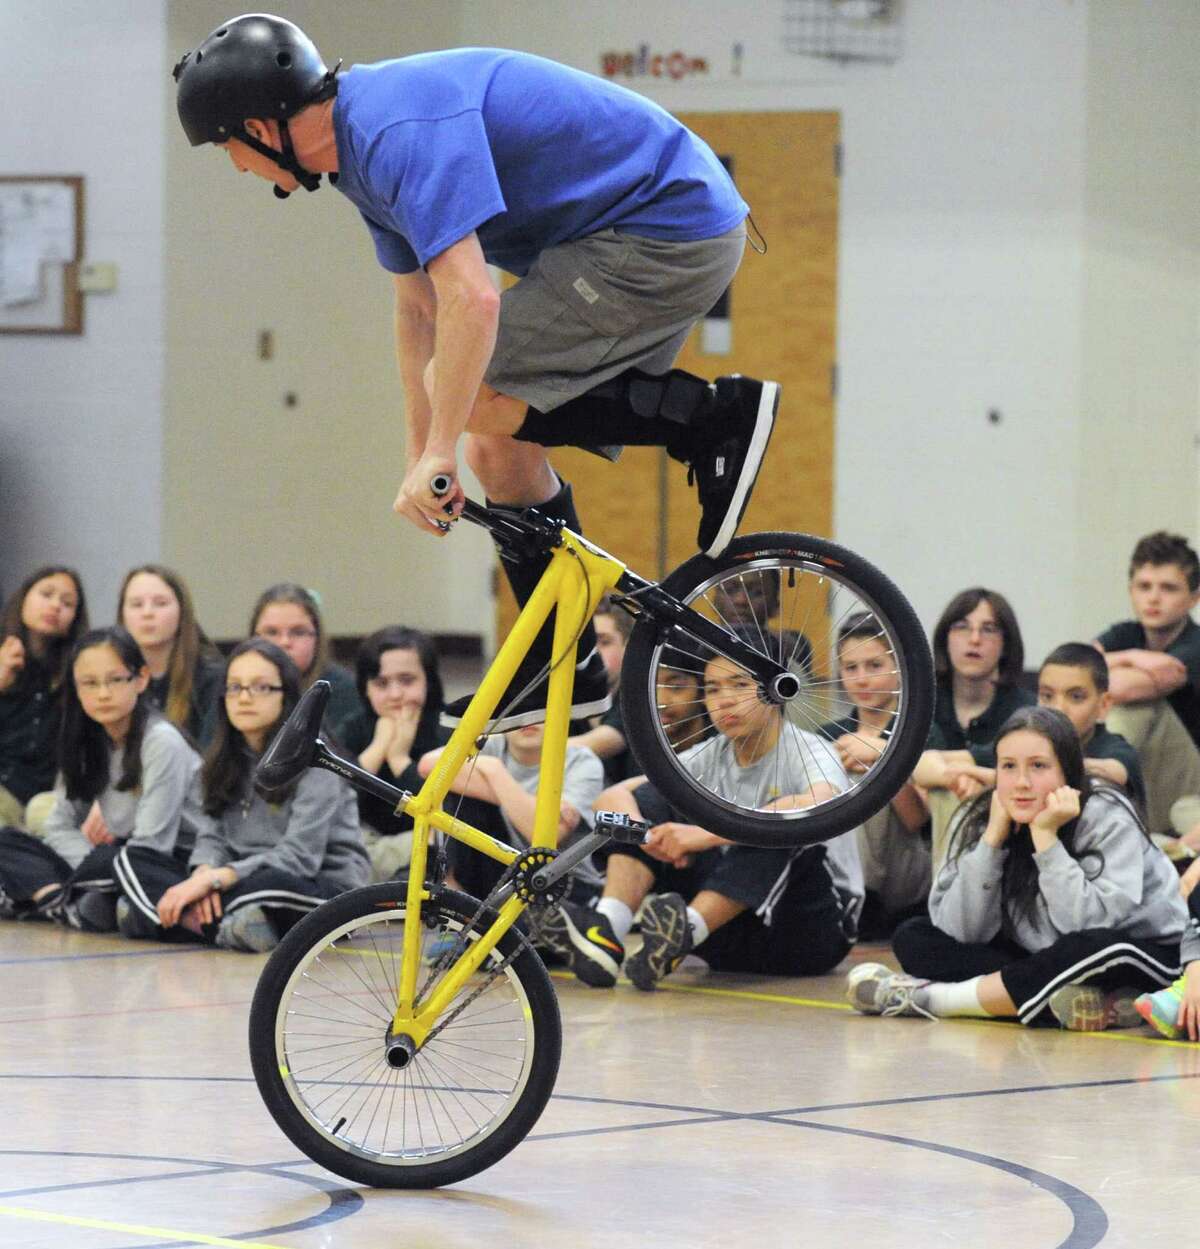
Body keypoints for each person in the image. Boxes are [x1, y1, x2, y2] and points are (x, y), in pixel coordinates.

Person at [173, 15, 780, 732]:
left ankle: (711, 416)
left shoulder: (395, 130)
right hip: (631, 235)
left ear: (260, 126)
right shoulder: (354, 153)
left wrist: (438, 443)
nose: (240, 170)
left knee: (475, 394)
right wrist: (419, 456)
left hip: (666, 231)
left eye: (229, 151)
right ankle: (567, 657)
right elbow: (417, 310)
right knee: (496, 447)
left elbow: (472, 296)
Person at [848, 707, 1193, 1031]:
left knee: (1097, 948)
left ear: (1067, 772)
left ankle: (932, 999)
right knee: (915, 936)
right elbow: (960, 930)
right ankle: (1069, 1002)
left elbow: (1088, 925)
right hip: (1043, 955)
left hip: (1139, 948)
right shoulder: (981, 816)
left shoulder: (1106, 813)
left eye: (1039, 766)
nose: (1022, 782)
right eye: (1008, 767)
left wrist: (1046, 839)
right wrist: (992, 842)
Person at [555, 650, 864, 990]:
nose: (724, 700)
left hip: (808, 936)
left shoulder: (811, 749)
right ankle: (606, 932)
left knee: (781, 821)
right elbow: (609, 799)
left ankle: (683, 931)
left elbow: (818, 804)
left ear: (777, 689)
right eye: (713, 689)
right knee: (652, 798)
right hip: (721, 939)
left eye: (739, 685)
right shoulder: (710, 753)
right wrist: (648, 835)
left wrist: (705, 835)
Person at [114, 638, 369, 951]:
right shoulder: (221, 760)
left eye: (260, 687)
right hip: (239, 879)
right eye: (234, 687)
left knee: (266, 886)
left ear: (287, 696)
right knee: (135, 859)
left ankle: (184, 919)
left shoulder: (316, 761)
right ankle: (228, 921)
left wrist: (216, 881)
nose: (244, 698)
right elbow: (211, 837)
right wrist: (204, 873)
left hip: (319, 884)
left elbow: (300, 858)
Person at [0, 627, 204, 930]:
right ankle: (61, 898)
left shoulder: (161, 741)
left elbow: (152, 845)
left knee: (118, 861)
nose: (103, 693)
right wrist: (88, 866)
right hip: (118, 858)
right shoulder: (86, 739)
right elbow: (59, 824)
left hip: (170, 863)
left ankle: (63, 900)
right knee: (9, 841)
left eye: (115, 680)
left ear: (141, 679)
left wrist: (93, 870)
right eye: (89, 683)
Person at [821, 613, 930, 938]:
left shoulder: (921, 727)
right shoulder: (828, 733)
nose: (862, 679)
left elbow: (918, 821)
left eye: (874, 665)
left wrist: (881, 759)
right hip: (840, 861)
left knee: (863, 785)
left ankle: (859, 901)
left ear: (899, 668)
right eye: (851, 668)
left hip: (908, 867)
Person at [417, 720, 605, 908]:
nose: (529, 719)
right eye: (521, 711)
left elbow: (548, 835)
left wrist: (497, 776)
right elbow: (429, 766)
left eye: (540, 709)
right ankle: (456, 900)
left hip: (564, 886)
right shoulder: (494, 746)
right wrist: (497, 773)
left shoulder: (581, 761)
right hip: (504, 877)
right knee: (456, 791)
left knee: (461, 779)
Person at [913, 587, 1035, 867]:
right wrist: (956, 776)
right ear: (945, 639)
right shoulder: (922, 700)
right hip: (916, 848)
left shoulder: (1026, 710)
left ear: (1006, 644)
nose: (975, 639)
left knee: (956, 791)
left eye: (989, 629)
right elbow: (915, 765)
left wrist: (953, 773)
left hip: (1008, 847)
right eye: (962, 627)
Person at [1094, 531, 1200, 835]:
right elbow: (1068, 669)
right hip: (1148, 781)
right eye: (1144, 586)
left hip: (1189, 788)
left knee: (1137, 704)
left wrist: (1107, 663)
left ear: (1194, 597)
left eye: (1168, 588)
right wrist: (1133, 655)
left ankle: (1095, 793)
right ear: (1131, 591)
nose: (1153, 597)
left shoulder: (1195, 644)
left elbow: (1122, 688)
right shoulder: (1125, 635)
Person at [334, 625, 450, 880]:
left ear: (429, 681)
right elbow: (335, 800)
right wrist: (378, 748)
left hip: (433, 848)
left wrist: (399, 759)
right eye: (382, 683)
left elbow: (445, 808)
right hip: (365, 845)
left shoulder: (448, 728)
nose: (395, 694)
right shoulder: (353, 727)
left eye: (407, 681)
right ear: (365, 688)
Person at [0, 566, 88, 829]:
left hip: (54, 790)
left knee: (46, 816)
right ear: (24, 597)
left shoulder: (80, 667)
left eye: (67, 602)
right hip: (5, 785)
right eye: (46, 594)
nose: (55, 606)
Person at [118, 564, 223, 746]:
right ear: (122, 615)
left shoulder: (212, 675)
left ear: (182, 611)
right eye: (136, 604)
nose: (147, 613)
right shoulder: (113, 677)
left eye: (160, 603)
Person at [1036, 642, 1144, 807]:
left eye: (1076, 697)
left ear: (1104, 705)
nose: (1058, 709)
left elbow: (1117, 771)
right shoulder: (1029, 738)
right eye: (1047, 696)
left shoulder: (1116, 749)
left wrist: (1029, 766)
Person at [249, 582, 362, 728]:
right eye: (271, 632)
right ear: (252, 639)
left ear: (317, 639)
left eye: (298, 632)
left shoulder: (344, 691)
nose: (285, 642)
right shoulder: (232, 689)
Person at [569, 596, 635, 784]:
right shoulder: (564, 693)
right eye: (582, 644)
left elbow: (603, 741)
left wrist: (525, 750)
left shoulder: (638, 696)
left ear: (627, 647)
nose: (590, 654)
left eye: (604, 642)